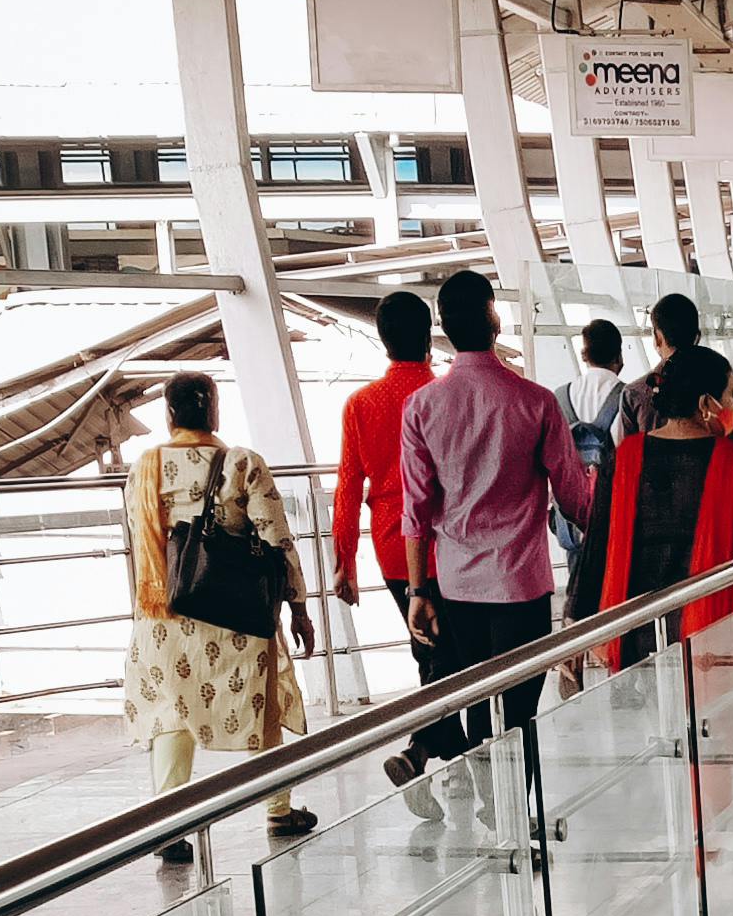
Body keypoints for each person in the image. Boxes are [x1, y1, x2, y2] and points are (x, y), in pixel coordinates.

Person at [392, 268, 593, 830]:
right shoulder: (535, 401)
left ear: (444, 330)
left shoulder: (422, 407)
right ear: (493, 320)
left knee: (478, 700)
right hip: (522, 584)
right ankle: (510, 811)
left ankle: (494, 804)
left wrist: (417, 591)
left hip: (457, 585)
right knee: (521, 708)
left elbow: (417, 510)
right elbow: (574, 497)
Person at [123, 370, 319, 867]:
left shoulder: (145, 469)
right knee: (261, 702)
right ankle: (277, 809)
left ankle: (171, 825)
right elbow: (277, 540)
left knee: (172, 714)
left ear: (169, 415)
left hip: (166, 611)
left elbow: (143, 544)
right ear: (213, 411)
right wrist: (298, 605)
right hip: (235, 611)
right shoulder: (241, 463)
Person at [561, 345, 733, 670]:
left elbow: (596, 543)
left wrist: (578, 619)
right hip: (715, 640)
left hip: (634, 638)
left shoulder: (623, 461)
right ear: (705, 404)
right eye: (730, 395)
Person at [330, 288, 435, 629]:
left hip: (392, 543)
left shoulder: (361, 404)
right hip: (448, 542)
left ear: (384, 340)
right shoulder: (445, 396)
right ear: (428, 336)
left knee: (423, 643)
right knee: (459, 650)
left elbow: (348, 487)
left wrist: (345, 563)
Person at [554, 318, 627, 567]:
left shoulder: (560, 397)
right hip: (615, 520)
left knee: (579, 596)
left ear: (584, 355)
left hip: (573, 523)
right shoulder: (628, 398)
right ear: (619, 356)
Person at [616, 289, 703, 439]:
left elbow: (627, 458)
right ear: (697, 337)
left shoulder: (634, 394)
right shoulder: (719, 386)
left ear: (657, 338)